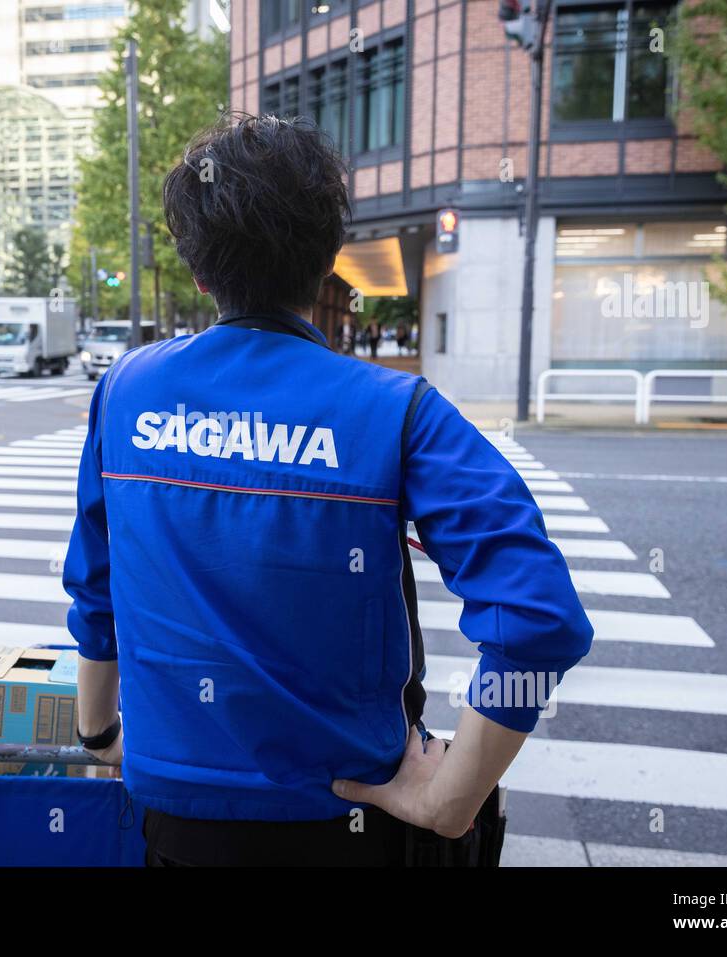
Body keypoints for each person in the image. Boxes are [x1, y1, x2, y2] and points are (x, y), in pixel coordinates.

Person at [63, 114, 592, 866]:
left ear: (197, 269)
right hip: (352, 827)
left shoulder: (124, 395)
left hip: (178, 828)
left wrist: (99, 733)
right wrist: (451, 800)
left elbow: (97, 589)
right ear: (329, 259)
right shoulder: (396, 412)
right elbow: (541, 620)